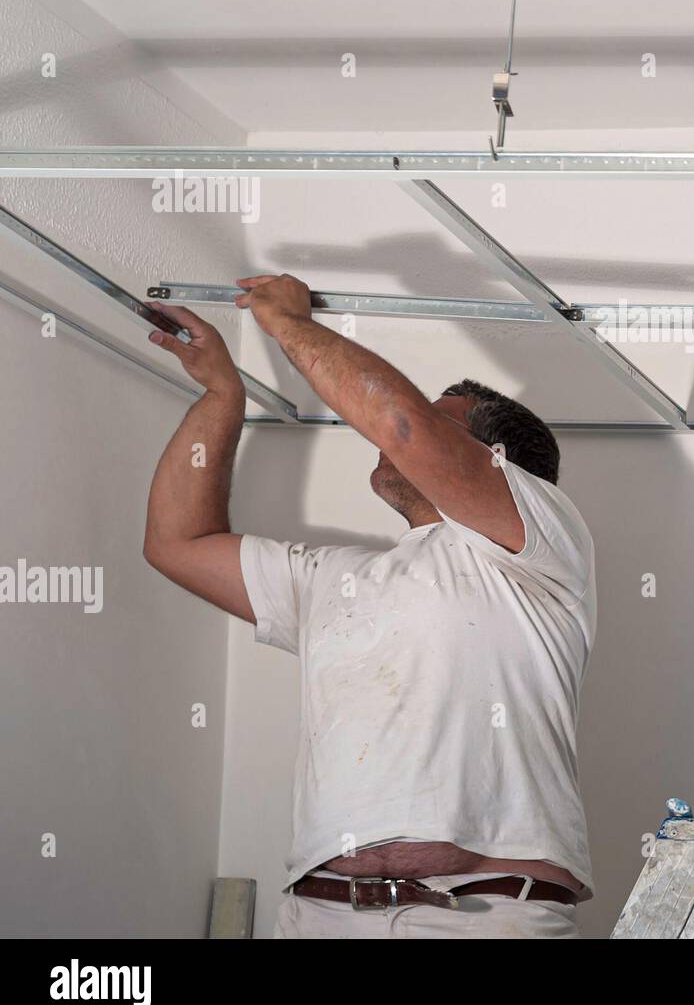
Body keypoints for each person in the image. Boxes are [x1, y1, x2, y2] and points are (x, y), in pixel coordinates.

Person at [142, 273, 595, 939]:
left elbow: (402, 424)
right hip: (320, 915)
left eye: (440, 424)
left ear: (493, 460)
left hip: (480, 918)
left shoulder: (539, 541)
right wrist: (222, 392)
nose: (387, 437)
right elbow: (179, 543)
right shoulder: (336, 580)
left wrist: (289, 323)